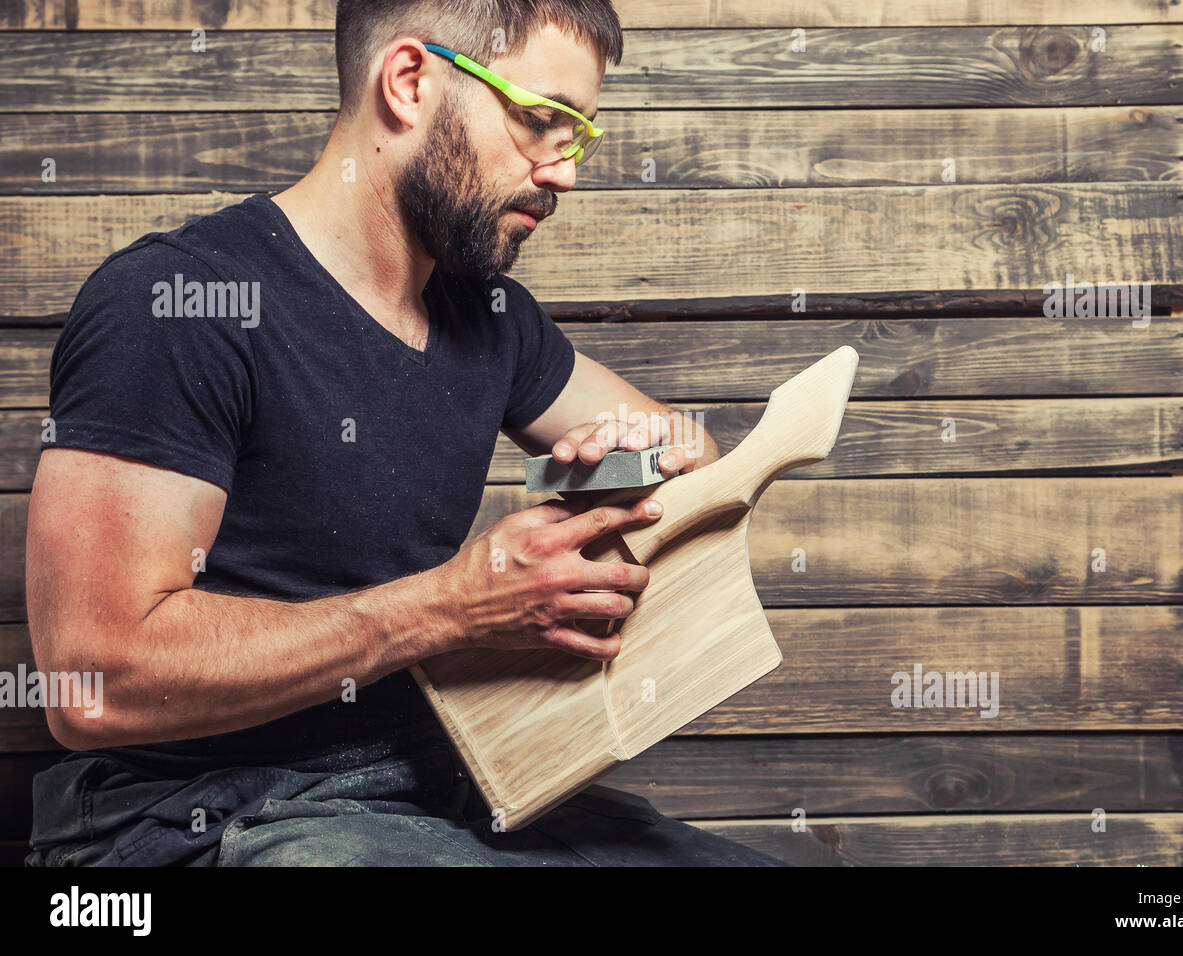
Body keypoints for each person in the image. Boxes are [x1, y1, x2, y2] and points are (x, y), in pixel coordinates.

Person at [24, 0, 785, 867]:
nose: (565, 171)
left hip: (434, 781)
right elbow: (93, 685)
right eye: (543, 122)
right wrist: (451, 608)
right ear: (411, 81)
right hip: (183, 813)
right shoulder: (177, 303)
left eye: (582, 138)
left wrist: (651, 461)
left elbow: (690, 456)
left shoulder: (488, 317)